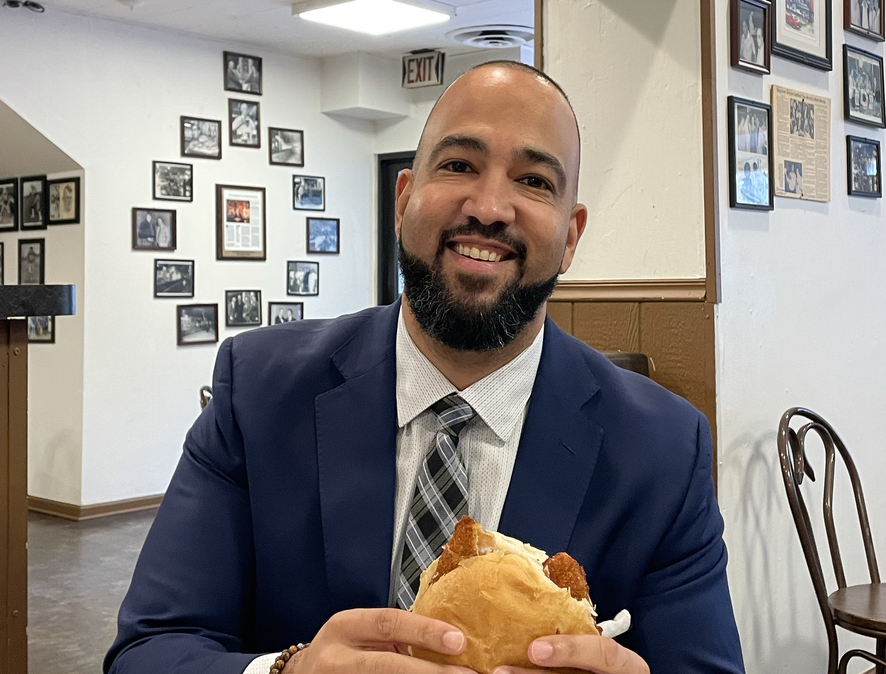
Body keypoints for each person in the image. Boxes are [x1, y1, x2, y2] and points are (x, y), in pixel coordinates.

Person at [105, 61, 744, 674]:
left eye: (534, 181)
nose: (490, 207)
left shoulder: (662, 449)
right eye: (459, 164)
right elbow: (150, 649)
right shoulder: (259, 391)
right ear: (404, 198)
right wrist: (285, 672)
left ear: (571, 237)